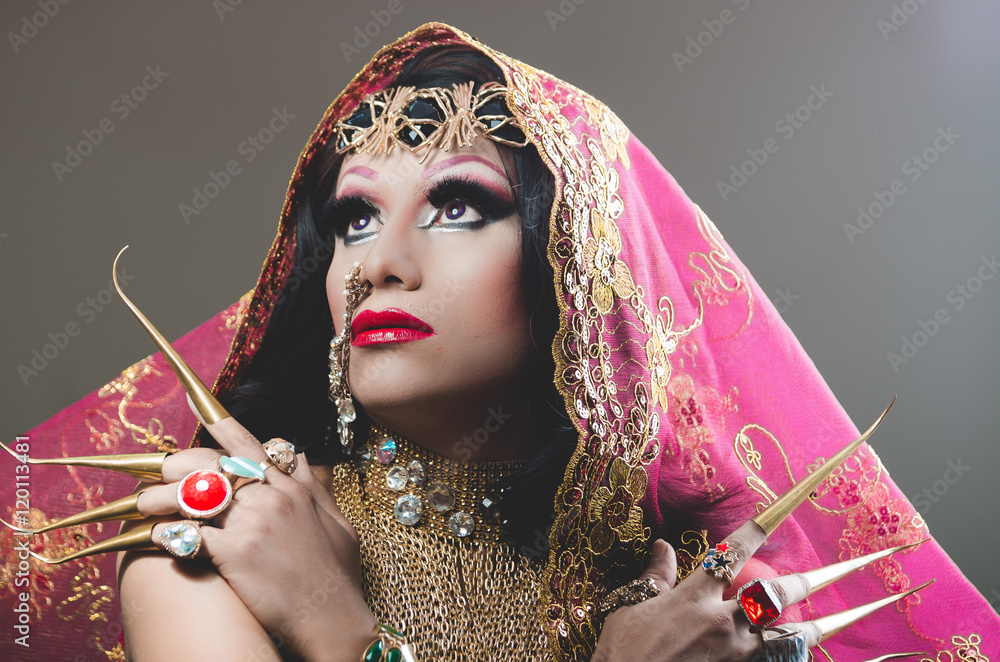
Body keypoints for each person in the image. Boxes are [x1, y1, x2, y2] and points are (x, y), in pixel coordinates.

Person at [2, 21, 997, 662]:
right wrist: (348, 626)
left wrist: (339, 629)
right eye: (353, 219)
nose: (377, 264)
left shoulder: (688, 592)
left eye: (458, 206)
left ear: (575, 259)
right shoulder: (219, 540)